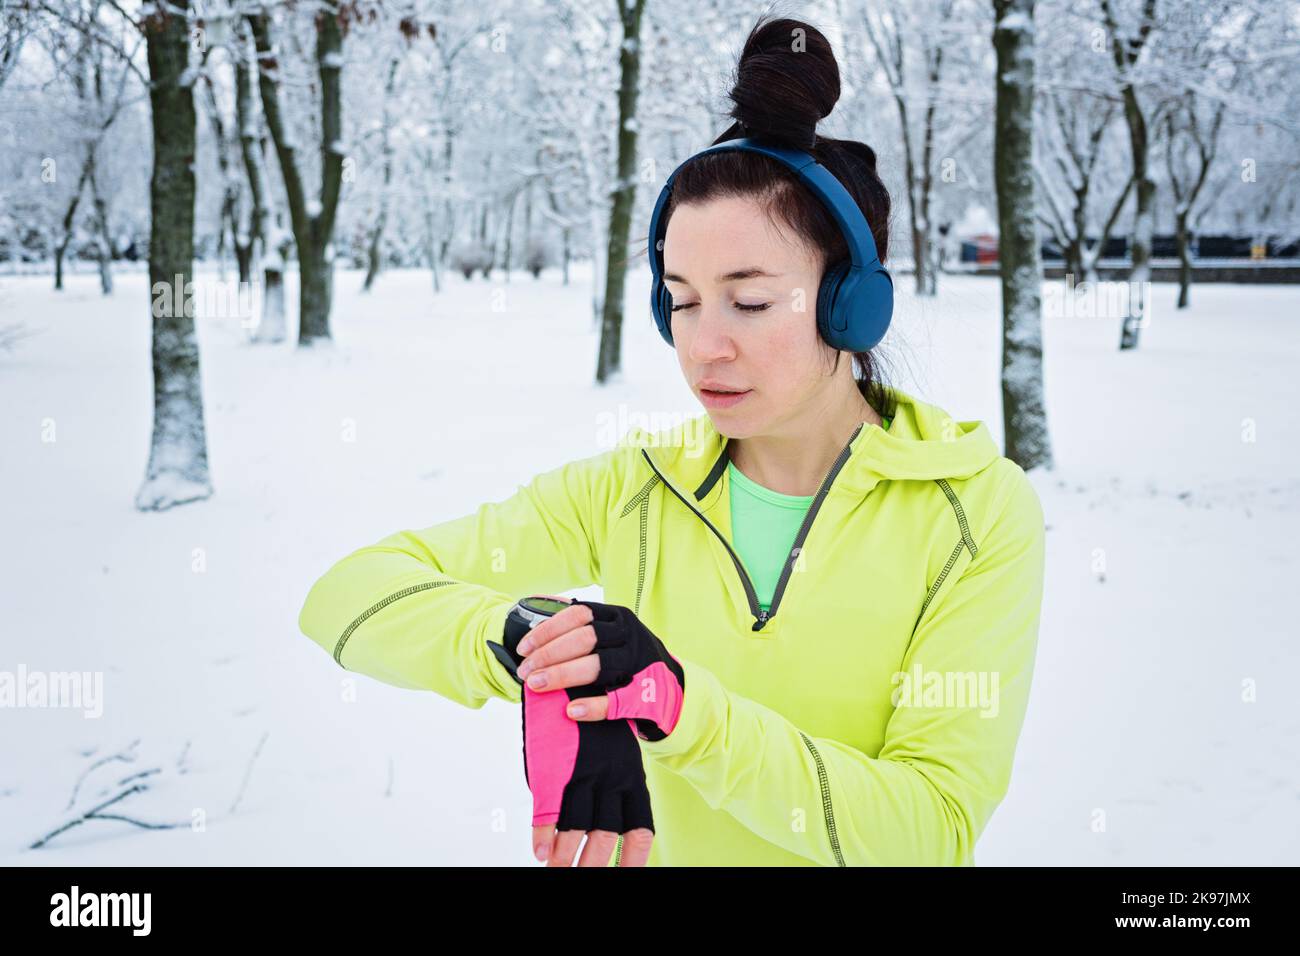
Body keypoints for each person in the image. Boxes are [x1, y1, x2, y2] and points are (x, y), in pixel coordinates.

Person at [297, 15, 1045, 867]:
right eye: (681, 301)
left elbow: (930, 831)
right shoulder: (630, 492)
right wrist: (536, 644)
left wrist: (680, 709)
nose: (703, 346)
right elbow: (344, 597)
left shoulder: (976, 512)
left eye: (750, 302)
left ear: (850, 306)